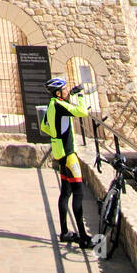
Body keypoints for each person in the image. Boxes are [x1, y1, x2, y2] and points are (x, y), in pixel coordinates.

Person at [41, 76, 93, 250]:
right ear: (58, 92)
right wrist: (79, 96)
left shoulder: (51, 105)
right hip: (69, 154)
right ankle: (84, 237)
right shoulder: (60, 105)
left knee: (65, 192)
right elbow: (82, 112)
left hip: (59, 153)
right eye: (65, 90)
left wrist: (56, 134)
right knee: (78, 193)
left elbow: (44, 126)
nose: (67, 91)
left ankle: (64, 232)